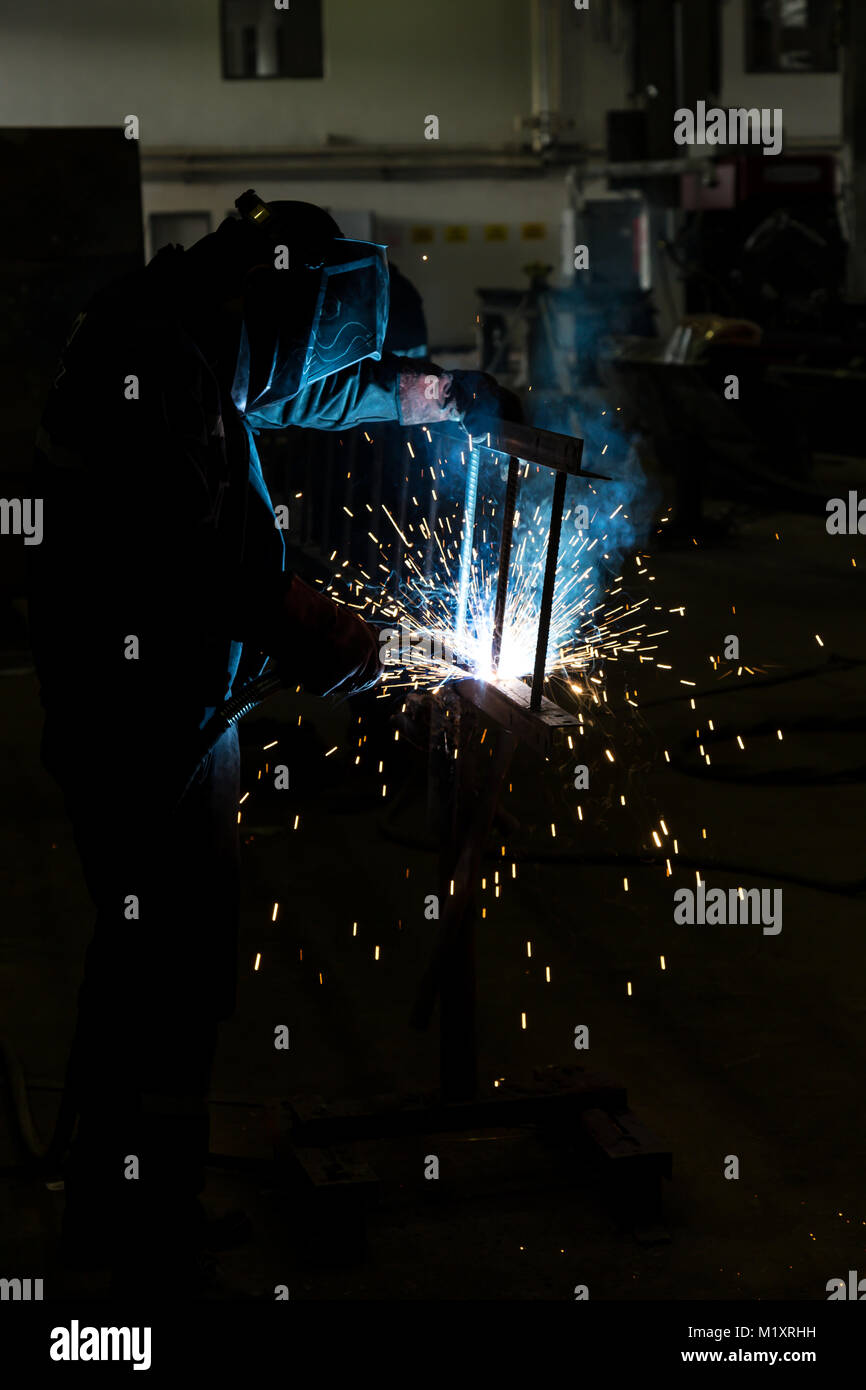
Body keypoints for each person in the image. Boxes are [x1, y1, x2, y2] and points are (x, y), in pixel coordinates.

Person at [27, 190, 521, 1294]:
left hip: (181, 706)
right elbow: (200, 565)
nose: (311, 363)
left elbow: (321, 389)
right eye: (314, 333)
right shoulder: (152, 365)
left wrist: (441, 394)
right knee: (159, 968)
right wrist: (334, 630)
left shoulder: (193, 331)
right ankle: (125, 1237)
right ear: (268, 290)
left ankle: (141, 1204)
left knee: (171, 965)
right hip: (139, 720)